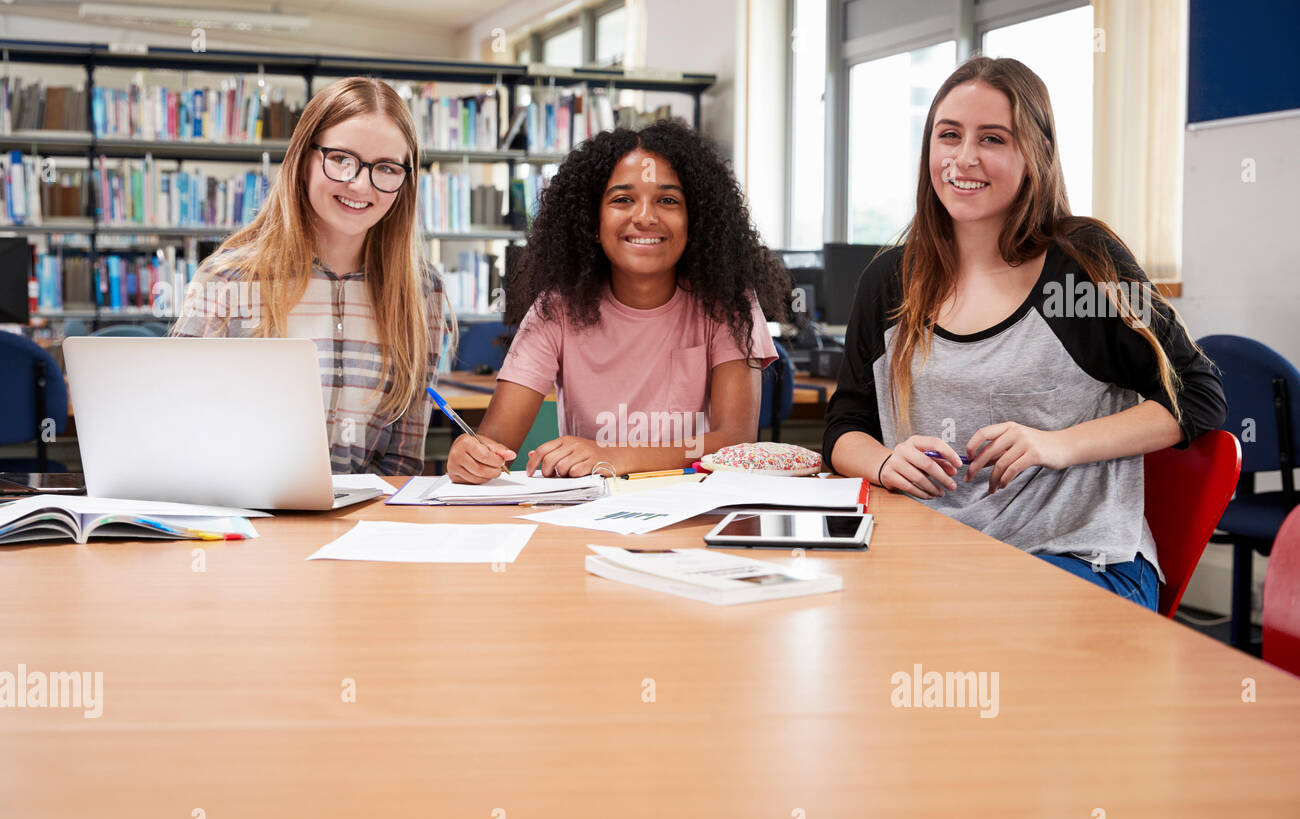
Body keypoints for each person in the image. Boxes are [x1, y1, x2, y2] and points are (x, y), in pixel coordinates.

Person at [822, 56, 1227, 608]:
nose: (964, 158)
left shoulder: (1085, 265)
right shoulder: (890, 281)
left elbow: (1197, 395)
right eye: (949, 135)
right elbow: (845, 427)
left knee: (969, 628)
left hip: (1079, 561)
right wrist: (885, 462)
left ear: (1033, 155)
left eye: (993, 138)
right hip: (933, 558)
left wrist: (1054, 445)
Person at [446, 119, 787, 482]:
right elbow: (495, 443)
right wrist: (472, 456)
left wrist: (612, 455)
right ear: (592, 221)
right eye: (623, 200)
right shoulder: (555, 310)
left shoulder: (728, 304)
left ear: (695, 220)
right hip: (589, 516)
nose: (645, 217)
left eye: (668, 200)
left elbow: (735, 442)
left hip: (697, 512)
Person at [172, 76, 450, 476]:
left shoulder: (422, 292)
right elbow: (177, 428)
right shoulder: (228, 279)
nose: (359, 184)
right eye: (341, 159)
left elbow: (401, 462)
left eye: (386, 168)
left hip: (366, 527)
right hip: (249, 517)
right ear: (304, 157)